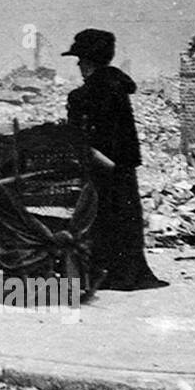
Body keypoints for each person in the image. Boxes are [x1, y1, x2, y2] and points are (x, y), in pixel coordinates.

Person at [62, 29, 166, 292]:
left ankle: (107, 272)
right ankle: (128, 272)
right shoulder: (118, 87)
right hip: (124, 166)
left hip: (100, 166)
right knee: (127, 218)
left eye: (81, 60)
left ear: (89, 61)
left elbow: (80, 136)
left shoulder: (84, 95)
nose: (78, 66)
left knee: (101, 218)